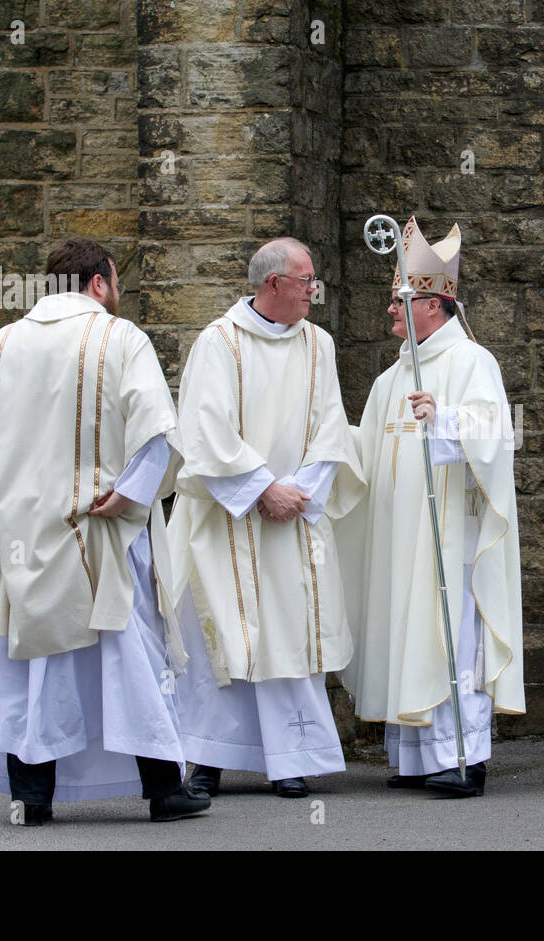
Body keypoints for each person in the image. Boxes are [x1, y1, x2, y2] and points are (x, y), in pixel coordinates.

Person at [0, 236, 209, 824]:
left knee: (34, 667)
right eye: (116, 282)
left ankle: (32, 797)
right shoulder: (120, 338)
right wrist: (128, 496)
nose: (118, 292)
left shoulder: (1, 346)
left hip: (25, 542)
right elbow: (157, 433)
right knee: (129, 658)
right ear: (98, 281)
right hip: (103, 533)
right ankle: (162, 790)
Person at [335, 217, 525, 798]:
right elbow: (367, 452)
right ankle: (417, 757)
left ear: (433, 305)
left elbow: (497, 437)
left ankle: (461, 758)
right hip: (400, 534)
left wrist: (445, 419)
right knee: (407, 629)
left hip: (450, 534)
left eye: (399, 300)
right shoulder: (391, 377)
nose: (390, 309)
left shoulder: (472, 361)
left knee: (450, 637)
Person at [168, 238, 359, 800]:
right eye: (306, 280)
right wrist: (261, 489)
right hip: (226, 521)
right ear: (273, 283)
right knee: (223, 637)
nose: (313, 290)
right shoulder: (218, 342)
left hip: (294, 519)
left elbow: (332, 426)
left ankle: (289, 757)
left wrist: (299, 493)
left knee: (289, 633)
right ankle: (209, 757)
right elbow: (203, 430)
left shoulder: (318, 344)